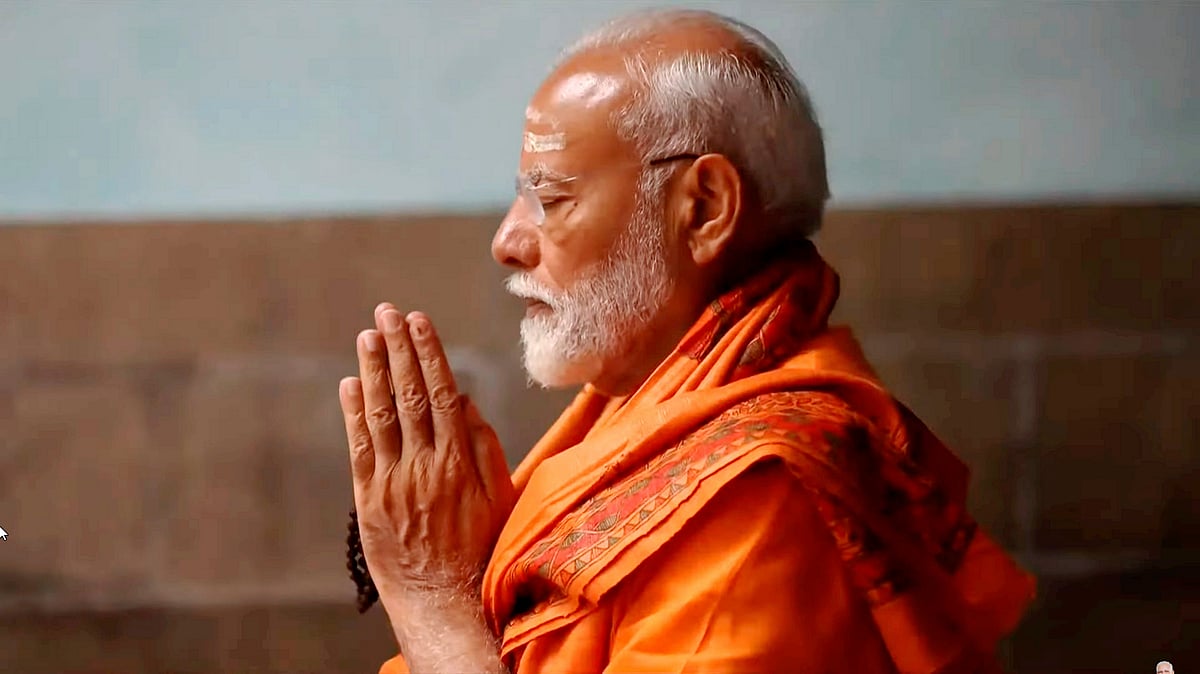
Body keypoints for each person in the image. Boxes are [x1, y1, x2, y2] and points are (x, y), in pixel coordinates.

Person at [337, 8, 1036, 673]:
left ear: (703, 208)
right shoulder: (644, 404)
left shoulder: (759, 494)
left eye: (550, 199)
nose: (507, 241)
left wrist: (431, 596)